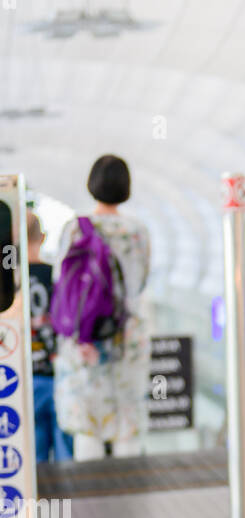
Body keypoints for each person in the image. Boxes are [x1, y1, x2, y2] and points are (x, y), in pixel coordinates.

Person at [54, 155, 151, 460]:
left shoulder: (75, 229)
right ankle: (129, 495)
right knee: (127, 420)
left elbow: (62, 281)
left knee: (89, 424)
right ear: (126, 187)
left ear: (92, 184)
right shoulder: (137, 231)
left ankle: (91, 498)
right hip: (127, 335)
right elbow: (140, 282)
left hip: (86, 336)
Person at [27, 210, 73, 464]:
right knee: (66, 448)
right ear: (43, 237)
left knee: (35, 449)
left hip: (24, 376)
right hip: (59, 372)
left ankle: (42, 501)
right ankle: (72, 500)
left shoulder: (12, 282)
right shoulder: (56, 276)